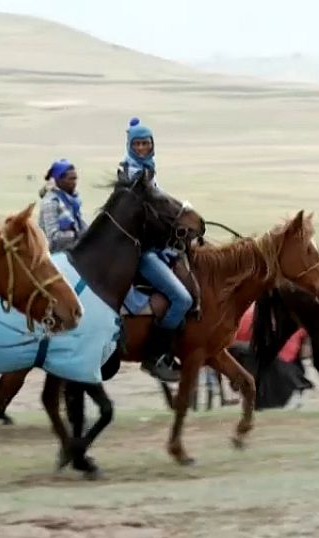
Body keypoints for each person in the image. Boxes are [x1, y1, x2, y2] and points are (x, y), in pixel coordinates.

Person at [116, 118, 193, 382]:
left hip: (156, 246)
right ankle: (156, 356)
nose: (141, 148)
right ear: (129, 145)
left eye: (145, 143)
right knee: (182, 299)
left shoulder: (148, 171)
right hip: (141, 251)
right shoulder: (130, 175)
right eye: (136, 143)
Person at [37, 159, 86, 252]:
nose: (74, 182)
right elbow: (52, 239)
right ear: (59, 180)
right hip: (54, 257)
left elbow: (82, 227)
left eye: (75, 178)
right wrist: (76, 235)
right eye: (71, 179)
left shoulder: (72, 202)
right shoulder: (50, 202)